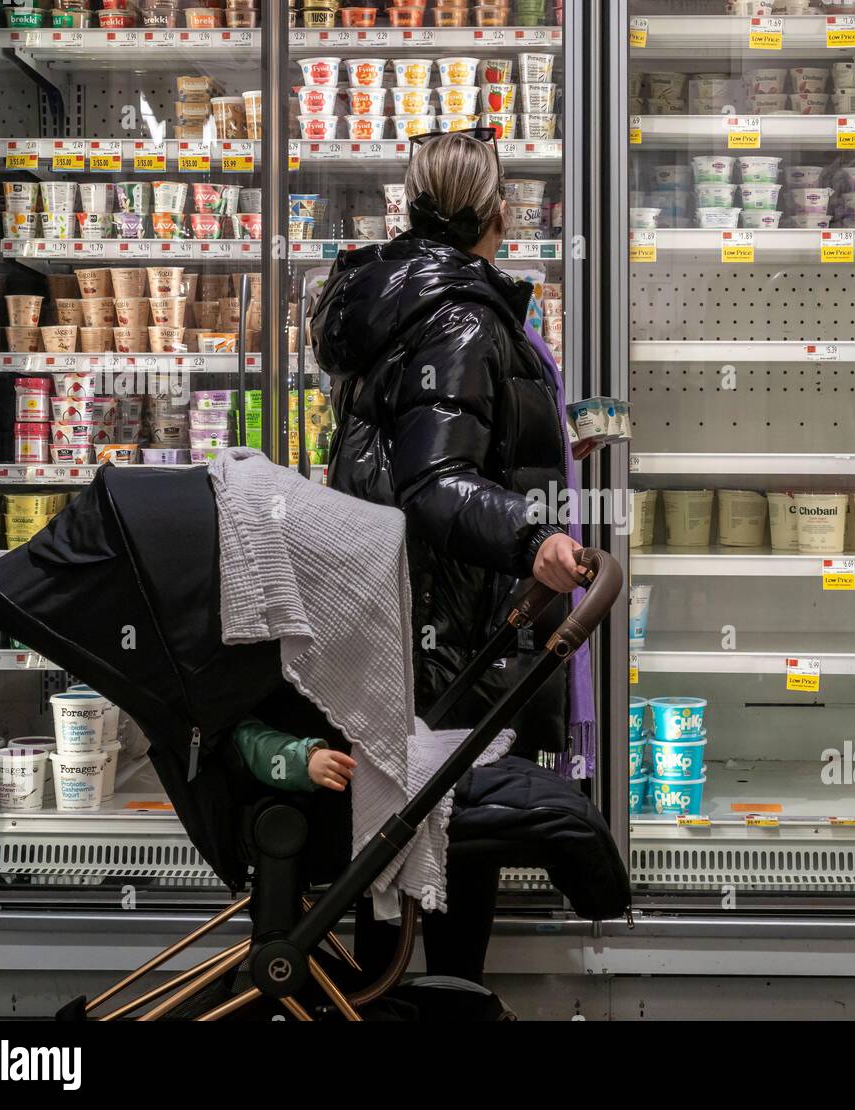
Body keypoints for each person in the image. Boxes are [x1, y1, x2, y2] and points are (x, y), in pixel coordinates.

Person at [311, 128, 599, 984]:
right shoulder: (463, 313)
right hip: (448, 625)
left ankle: (386, 1003)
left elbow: (435, 440)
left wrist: (537, 440)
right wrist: (529, 532)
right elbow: (432, 479)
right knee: (449, 840)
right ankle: (439, 1006)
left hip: (398, 613)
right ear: (491, 210)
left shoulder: (404, 299)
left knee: (392, 845)